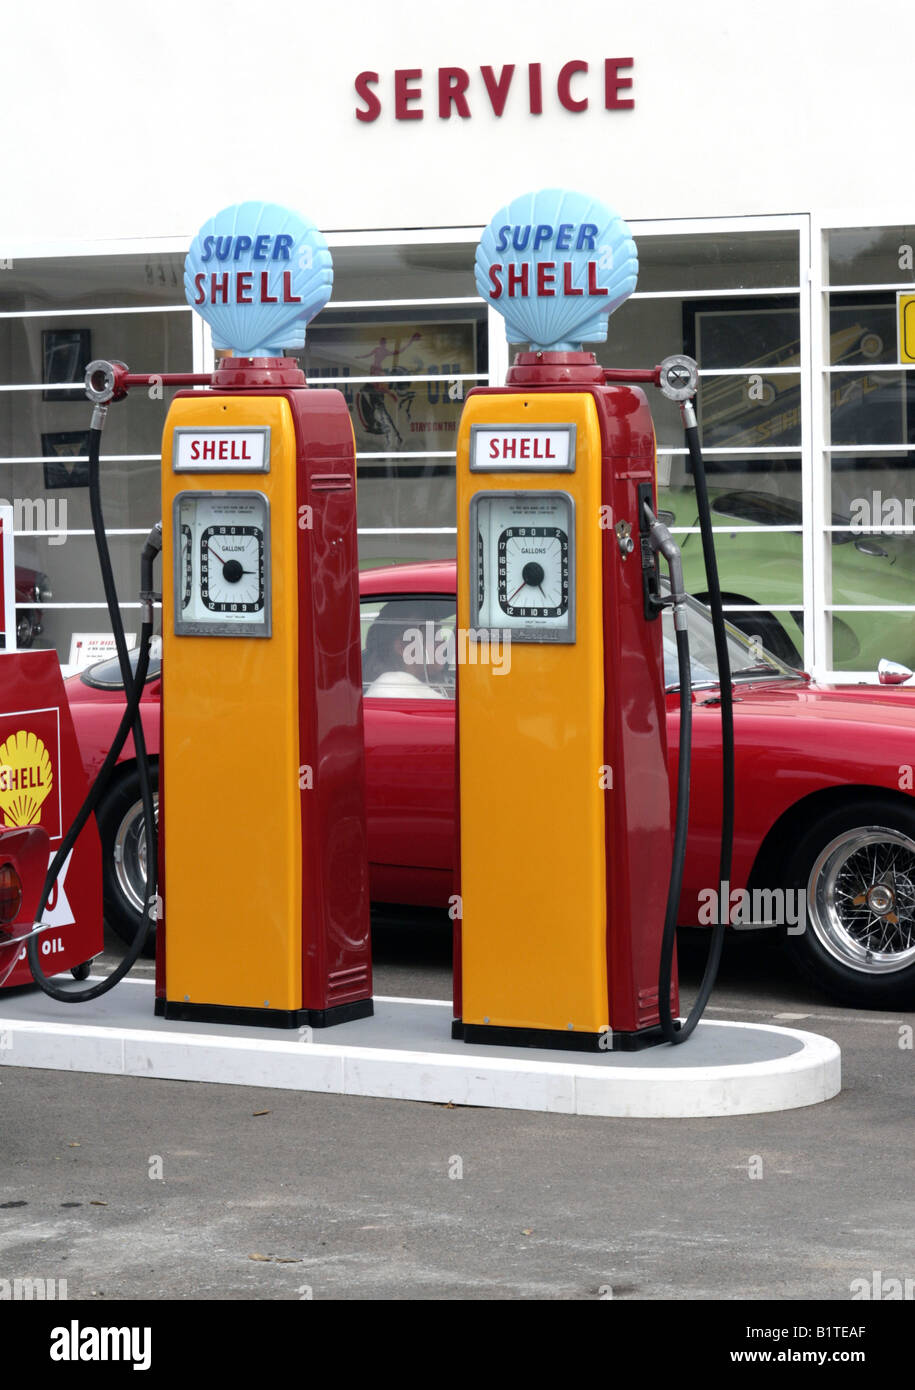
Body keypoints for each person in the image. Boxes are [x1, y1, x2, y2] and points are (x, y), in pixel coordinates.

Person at [362, 600, 452, 699]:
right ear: (402, 647)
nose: (443, 644)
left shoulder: (428, 683)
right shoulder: (391, 692)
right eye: (433, 637)